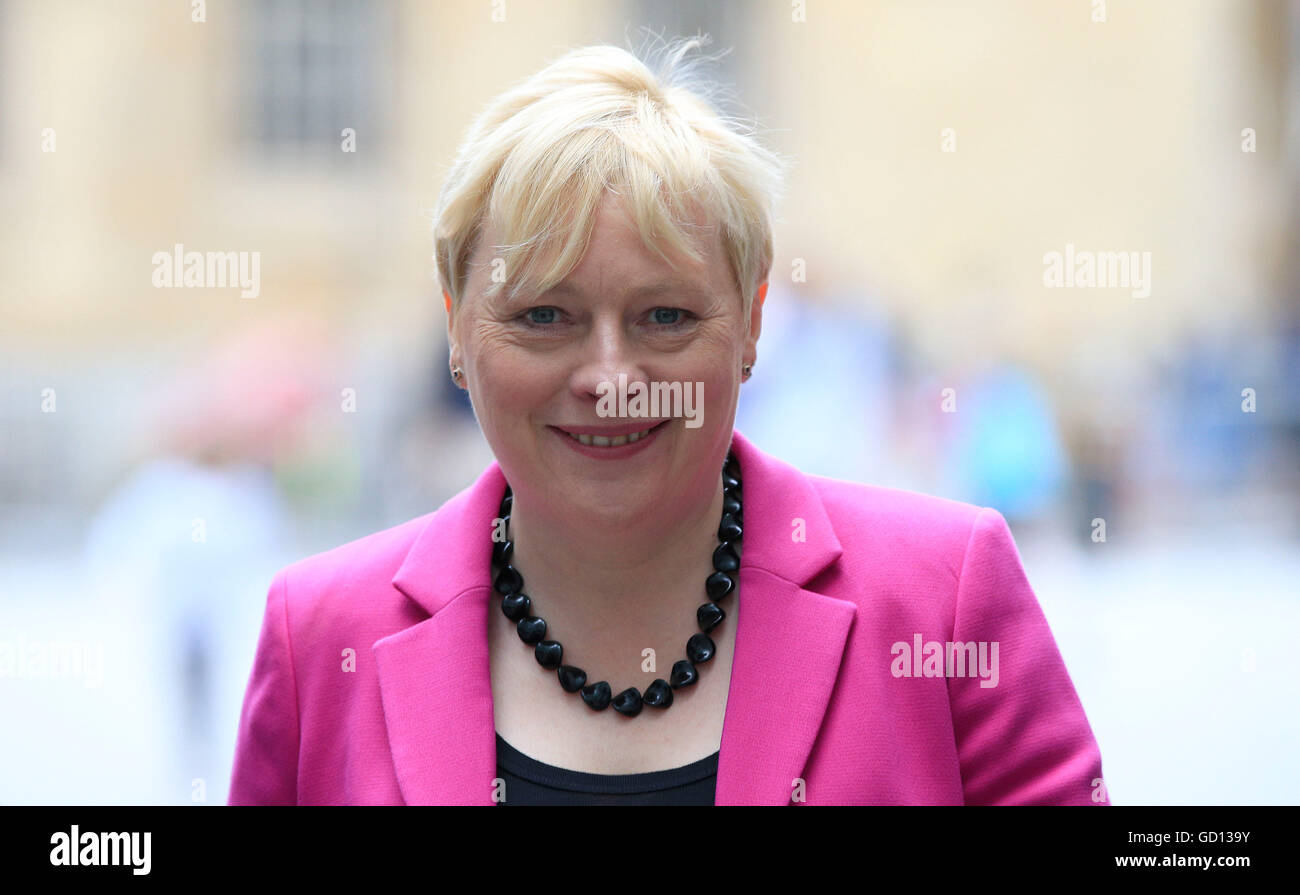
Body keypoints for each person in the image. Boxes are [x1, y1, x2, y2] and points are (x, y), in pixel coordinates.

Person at [229, 37, 1108, 806]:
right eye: (545, 315)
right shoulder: (319, 638)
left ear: (754, 321)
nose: (612, 379)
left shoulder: (940, 600)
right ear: (457, 326)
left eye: (666, 317)